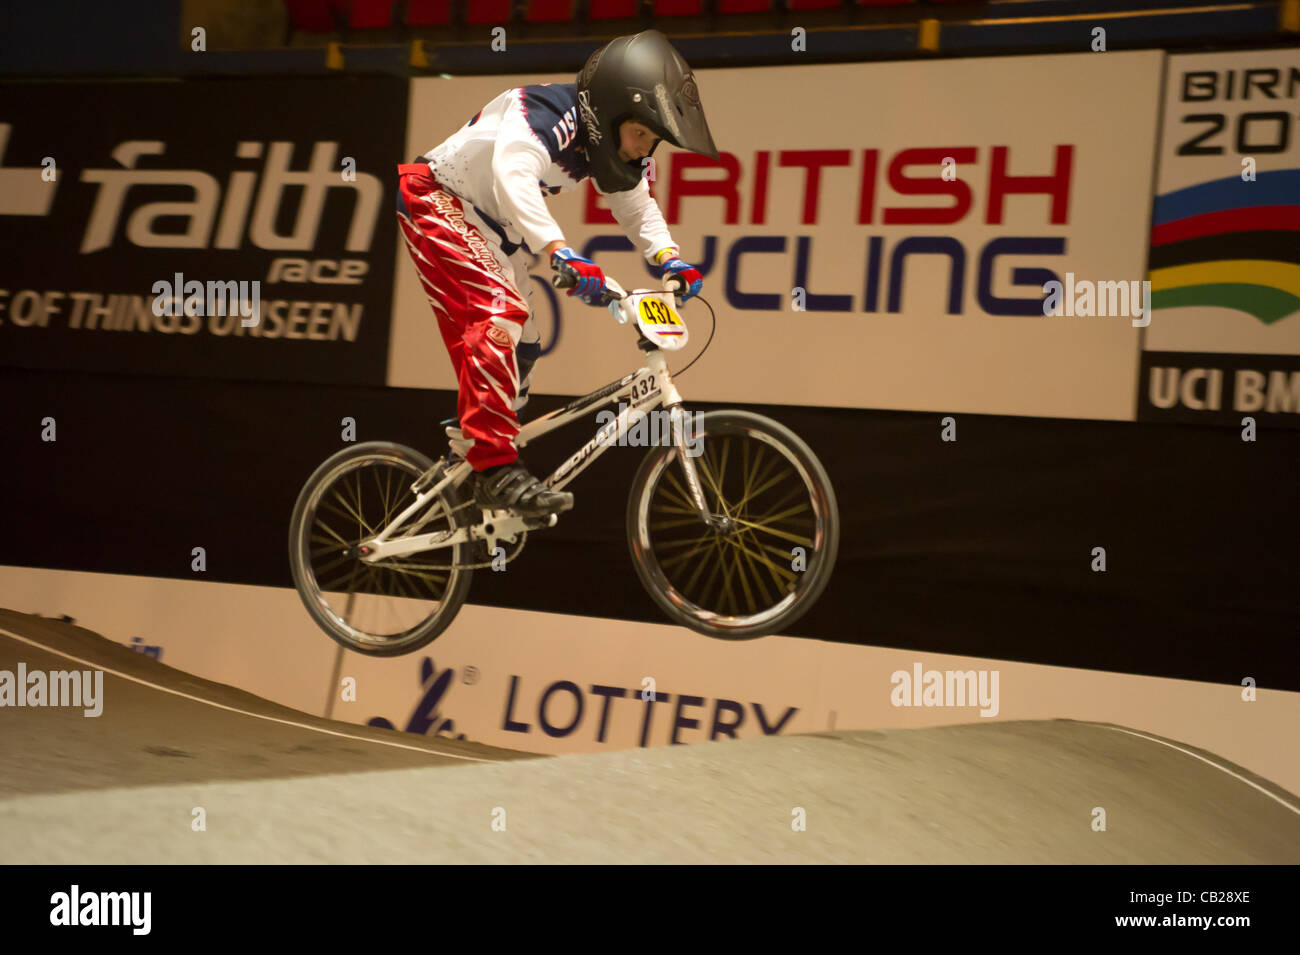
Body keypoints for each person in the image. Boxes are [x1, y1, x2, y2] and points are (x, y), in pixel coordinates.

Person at [395, 29, 718, 518]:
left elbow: (637, 206)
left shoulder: (609, 143)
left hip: (490, 227)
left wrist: (670, 259)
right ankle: (494, 466)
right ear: (610, 112)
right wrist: (560, 251)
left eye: (652, 142)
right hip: (437, 198)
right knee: (501, 315)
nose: (642, 151)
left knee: (525, 345)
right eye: (640, 135)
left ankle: (466, 455)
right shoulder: (543, 113)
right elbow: (512, 173)